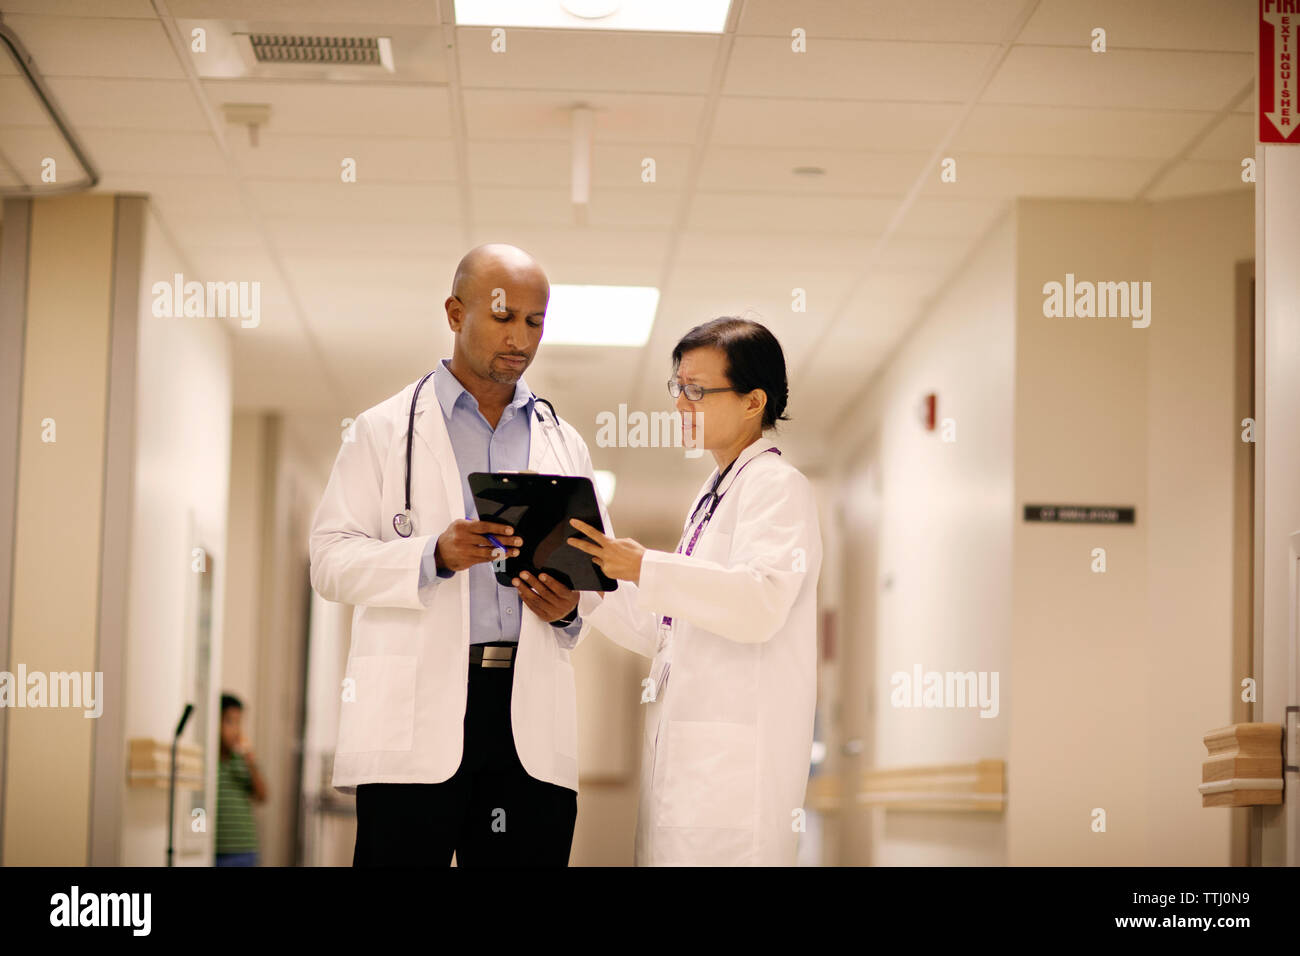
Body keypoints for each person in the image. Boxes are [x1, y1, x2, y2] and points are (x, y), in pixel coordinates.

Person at [309, 243, 608, 867]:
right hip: (416, 713)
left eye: (535, 320)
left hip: (526, 713)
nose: (519, 337)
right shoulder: (382, 431)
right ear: (454, 311)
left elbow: (600, 571)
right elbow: (330, 560)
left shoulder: (563, 442)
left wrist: (568, 611)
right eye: (503, 316)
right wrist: (431, 557)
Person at [568, 316, 822, 866]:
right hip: (688, 769)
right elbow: (667, 630)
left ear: (754, 401)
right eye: (678, 388)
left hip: (732, 783)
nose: (682, 404)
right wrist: (585, 587)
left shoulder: (777, 488)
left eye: (698, 391)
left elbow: (759, 603)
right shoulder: (712, 495)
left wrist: (645, 567)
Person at [215, 693, 267, 866]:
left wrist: (250, 762)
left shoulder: (241, 761)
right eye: (230, 722)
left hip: (245, 848)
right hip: (217, 849)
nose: (236, 730)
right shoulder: (210, 762)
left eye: (239, 723)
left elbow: (262, 796)